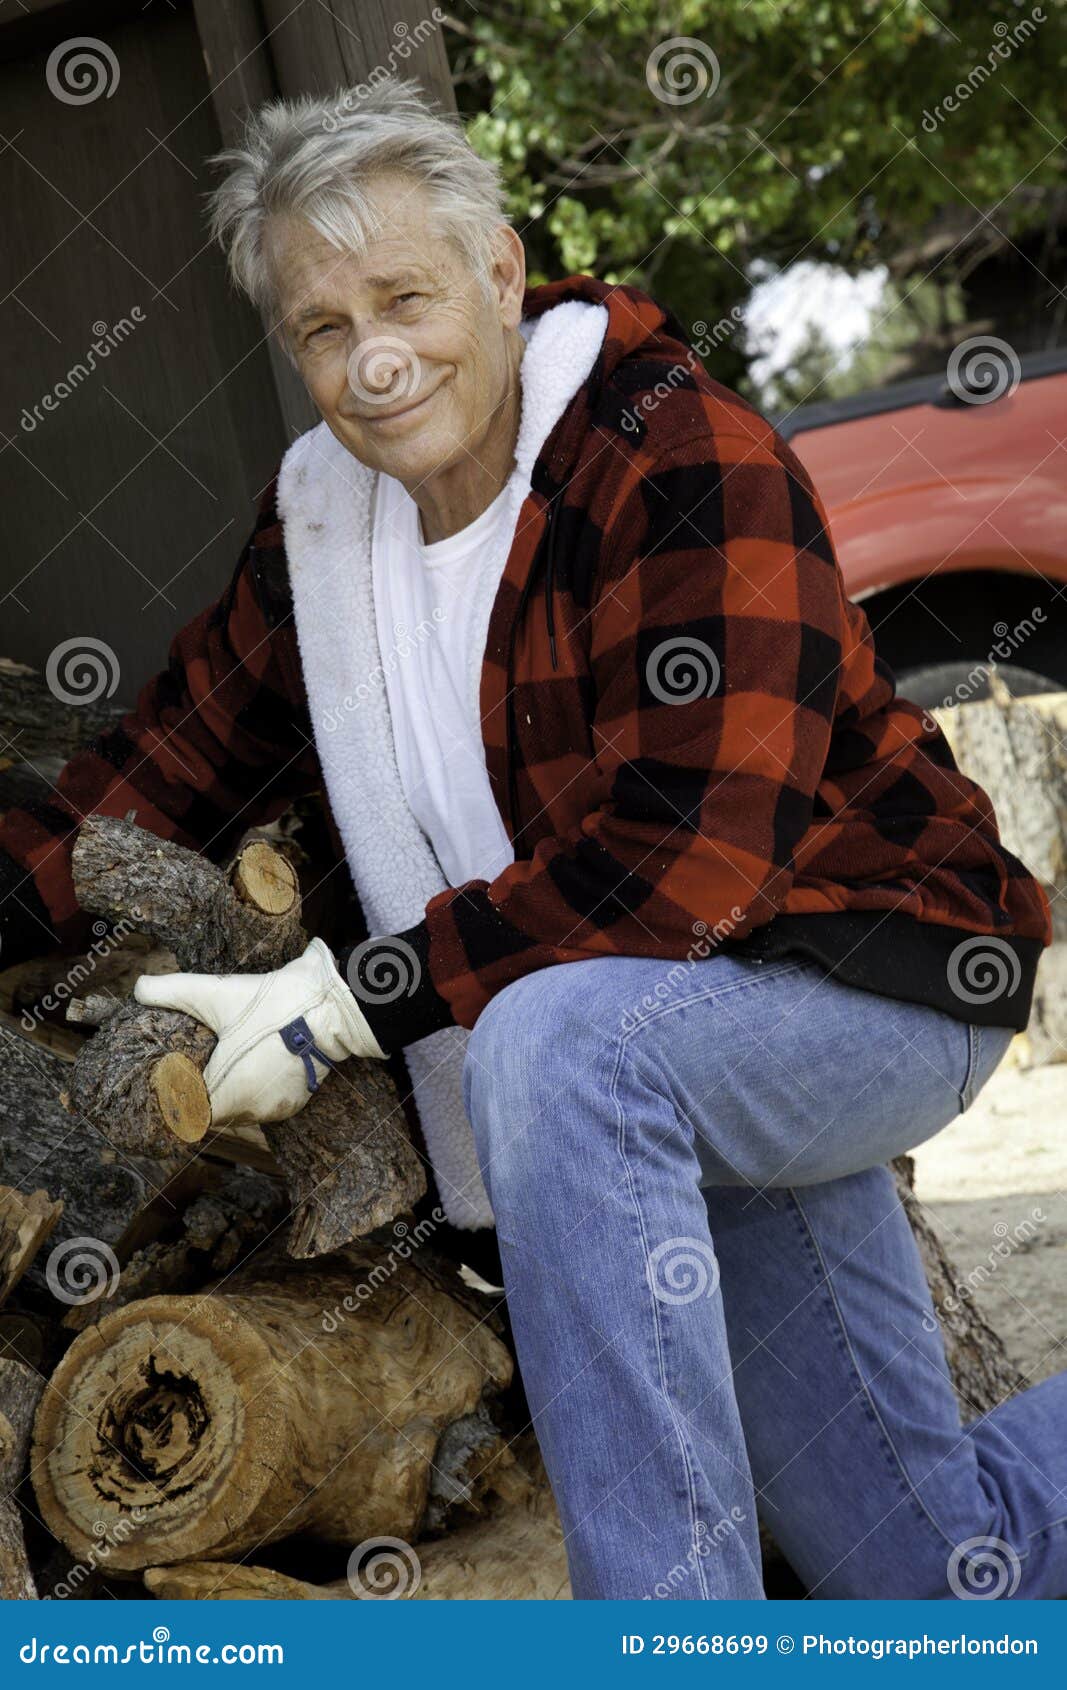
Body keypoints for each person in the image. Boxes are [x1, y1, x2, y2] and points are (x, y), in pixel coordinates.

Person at [0, 79, 1058, 1601]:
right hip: (656, 1048)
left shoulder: (677, 452)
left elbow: (691, 863)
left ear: (501, 275)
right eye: (319, 326)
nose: (372, 356)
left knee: (560, 1044)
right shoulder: (325, 530)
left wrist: (360, 996)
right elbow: (155, 773)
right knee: (930, 1569)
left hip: (877, 967)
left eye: (406, 296)